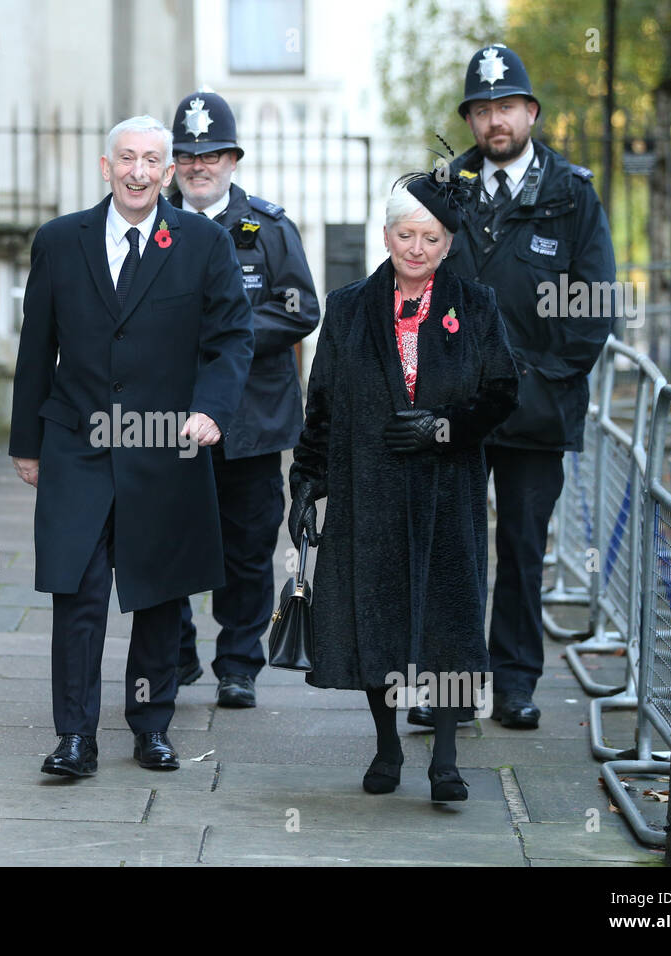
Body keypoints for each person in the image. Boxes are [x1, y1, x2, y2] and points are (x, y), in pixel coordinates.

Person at [9, 115, 254, 777]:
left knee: (158, 594)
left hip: (164, 447)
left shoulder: (204, 243)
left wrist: (211, 409)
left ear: (169, 170)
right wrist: (25, 443)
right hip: (76, 443)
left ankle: (151, 729)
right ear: (105, 165)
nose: (139, 172)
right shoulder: (62, 241)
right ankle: (75, 739)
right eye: (128, 159)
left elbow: (232, 337)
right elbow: (37, 348)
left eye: (152, 160)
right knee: (78, 593)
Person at [288, 169, 518, 801]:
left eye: (432, 237)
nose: (417, 249)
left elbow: (502, 392)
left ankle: (445, 758)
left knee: (448, 619)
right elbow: (324, 401)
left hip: (448, 490)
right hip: (370, 489)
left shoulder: (475, 306)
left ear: (448, 244)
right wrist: (308, 478)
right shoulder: (348, 307)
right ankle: (387, 747)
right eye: (406, 234)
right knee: (375, 618)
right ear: (386, 234)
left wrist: (443, 428)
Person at [421, 44, 616, 730]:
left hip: (537, 408)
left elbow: (594, 305)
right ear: (471, 121)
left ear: (530, 112)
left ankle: (514, 683)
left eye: (506, 107)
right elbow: (415, 282)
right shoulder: (447, 190)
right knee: (453, 548)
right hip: (458, 407)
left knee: (523, 550)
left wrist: (537, 381)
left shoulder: (571, 193)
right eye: (482, 110)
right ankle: (446, 684)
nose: (494, 120)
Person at [167, 90, 320, 709]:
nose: (198, 166)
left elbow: (302, 308)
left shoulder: (268, 228)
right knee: (169, 539)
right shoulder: (150, 224)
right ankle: (174, 654)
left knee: (249, 543)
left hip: (253, 418)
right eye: (186, 155)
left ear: (233, 158)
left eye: (210, 154)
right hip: (171, 417)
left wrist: (229, 333)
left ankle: (238, 662)